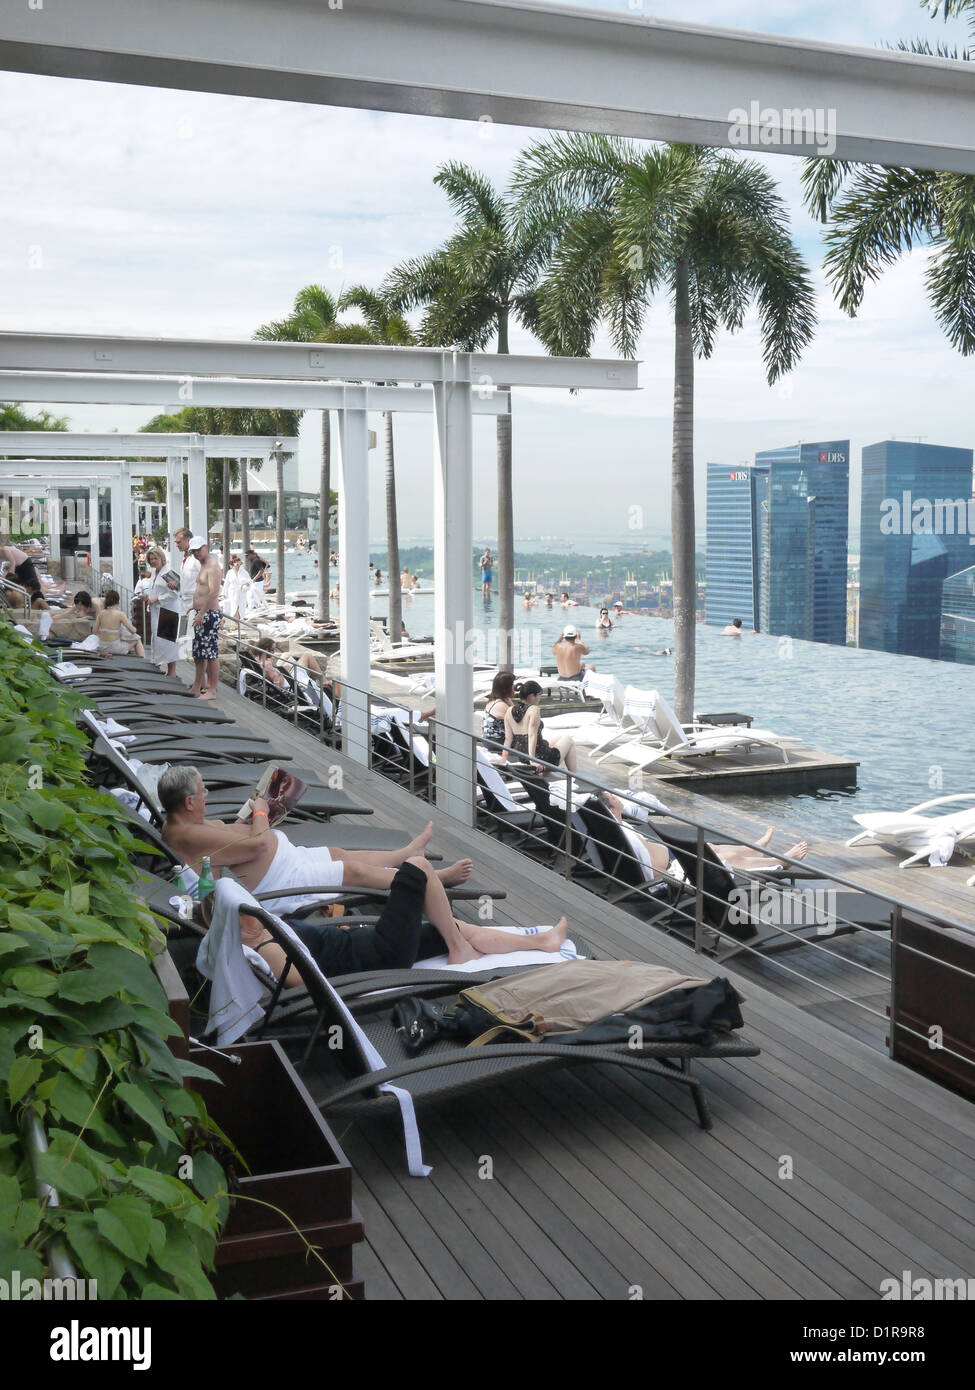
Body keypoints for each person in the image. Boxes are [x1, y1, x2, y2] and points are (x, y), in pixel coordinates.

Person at [157, 765, 566, 971]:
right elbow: (258, 842)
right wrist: (262, 812)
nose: (208, 795)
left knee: (341, 854)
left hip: (346, 930)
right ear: (189, 802)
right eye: (204, 792)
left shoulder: (269, 934)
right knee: (368, 873)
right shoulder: (267, 940)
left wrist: (258, 810)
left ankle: (541, 943)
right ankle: (424, 880)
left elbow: (244, 839)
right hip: (300, 895)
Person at [502, 680, 577, 774]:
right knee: (569, 740)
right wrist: (532, 761)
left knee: (558, 738)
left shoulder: (509, 711)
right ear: (531, 696)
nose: (540, 698)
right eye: (539, 695)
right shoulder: (534, 710)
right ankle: (573, 777)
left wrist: (503, 758)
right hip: (540, 758)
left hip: (523, 756)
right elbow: (532, 736)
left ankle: (545, 774)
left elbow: (508, 739)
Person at [186, 537, 223, 699]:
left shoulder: (213, 566)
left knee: (210, 653)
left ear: (206, 547)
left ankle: (212, 690)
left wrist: (202, 613)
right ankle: (197, 686)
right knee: (199, 653)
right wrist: (195, 606)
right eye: (193, 551)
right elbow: (202, 589)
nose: (196, 553)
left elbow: (214, 592)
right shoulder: (203, 565)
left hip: (208, 614)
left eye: (198, 550)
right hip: (202, 612)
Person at [144, 545, 182, 676]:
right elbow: (155, 589)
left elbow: (177, 592)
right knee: (159, 640)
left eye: (155, 558)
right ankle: (158, 666)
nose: (153, 561)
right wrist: (148, 597)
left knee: (169, 641)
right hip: (158, 611)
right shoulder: (154, 572)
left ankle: (172, 671)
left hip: (168, 610)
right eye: (151, 559)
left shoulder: (169, 572)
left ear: (161, 557)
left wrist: (157, 599)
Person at [93, 590, 146, 658]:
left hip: (102, 647)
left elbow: (94, 631)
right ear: (118, 601)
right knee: (137, 639)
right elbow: (133, 631)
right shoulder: (120, 614)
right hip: (115, 648)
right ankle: (143, 660)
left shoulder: (101, 613)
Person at [481, 670, 515, 750]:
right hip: (498, 743)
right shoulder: (502, 706)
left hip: (488, 741)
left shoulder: (492, 701)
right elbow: (518, 724)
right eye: (513, 685)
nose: (514, 688)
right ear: (506, 688)